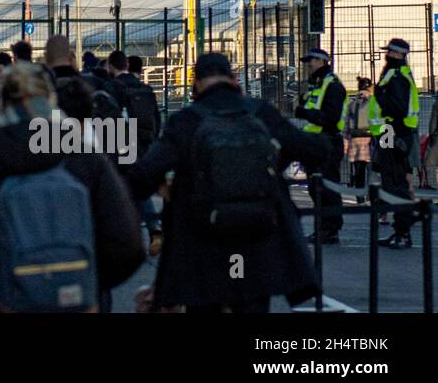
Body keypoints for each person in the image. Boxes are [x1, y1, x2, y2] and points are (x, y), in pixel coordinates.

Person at [0, 61, 143, 312]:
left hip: (1, 300)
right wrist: (86, 282)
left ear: (2, 101)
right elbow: (128, 245)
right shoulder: (83, 156)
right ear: (51, 99)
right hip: (76, 298)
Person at [125, 53, 324, 312]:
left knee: (208, 304)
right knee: (249, 301)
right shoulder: (259, 113)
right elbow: (316, 150)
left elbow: (142, 177)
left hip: (203, 243)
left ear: (196, 84)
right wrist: (276, 163)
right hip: (257, 239)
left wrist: (167, 185)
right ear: (233, 79)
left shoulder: (186, 121)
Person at [110, 50, 162, 254]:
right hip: (143, 143)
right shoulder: (145, 89)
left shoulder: (113, 87)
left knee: (120, 187)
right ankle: (153, 227)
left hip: (122, 143)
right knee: (138, 186)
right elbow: (156, 120)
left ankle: (125, 235)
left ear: (111, 67)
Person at [293, 48, 347, 244]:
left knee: (326, 188)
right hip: (316, 142)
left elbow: (330, 118)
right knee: (316, 188)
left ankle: (330, 229)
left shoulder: (332, 85)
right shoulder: (318, 85)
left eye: (312, 61)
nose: (308, 65)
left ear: (322, 62)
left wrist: (304, 113)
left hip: (328, 141)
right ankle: (323, 228)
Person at [372, 38, 421, 248]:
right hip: (389, 130)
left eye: (390, 52)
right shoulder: (394, 73)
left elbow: (398, 108)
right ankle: (401, 228)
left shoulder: (398, 75)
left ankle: (404, 228)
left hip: (395, 130)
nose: (387, 55)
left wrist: (381, 97)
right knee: (389, 178)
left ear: (399, 54)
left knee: (395, 182)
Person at [344, 78, 374, 189]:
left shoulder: (352, 104)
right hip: (370, 140)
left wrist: (345, 142)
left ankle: (359, 197)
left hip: (355, 140)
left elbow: (346, 125)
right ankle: (372, 196)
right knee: (372, 171)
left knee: (358, 171)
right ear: (369, 87)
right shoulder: (373, 102)